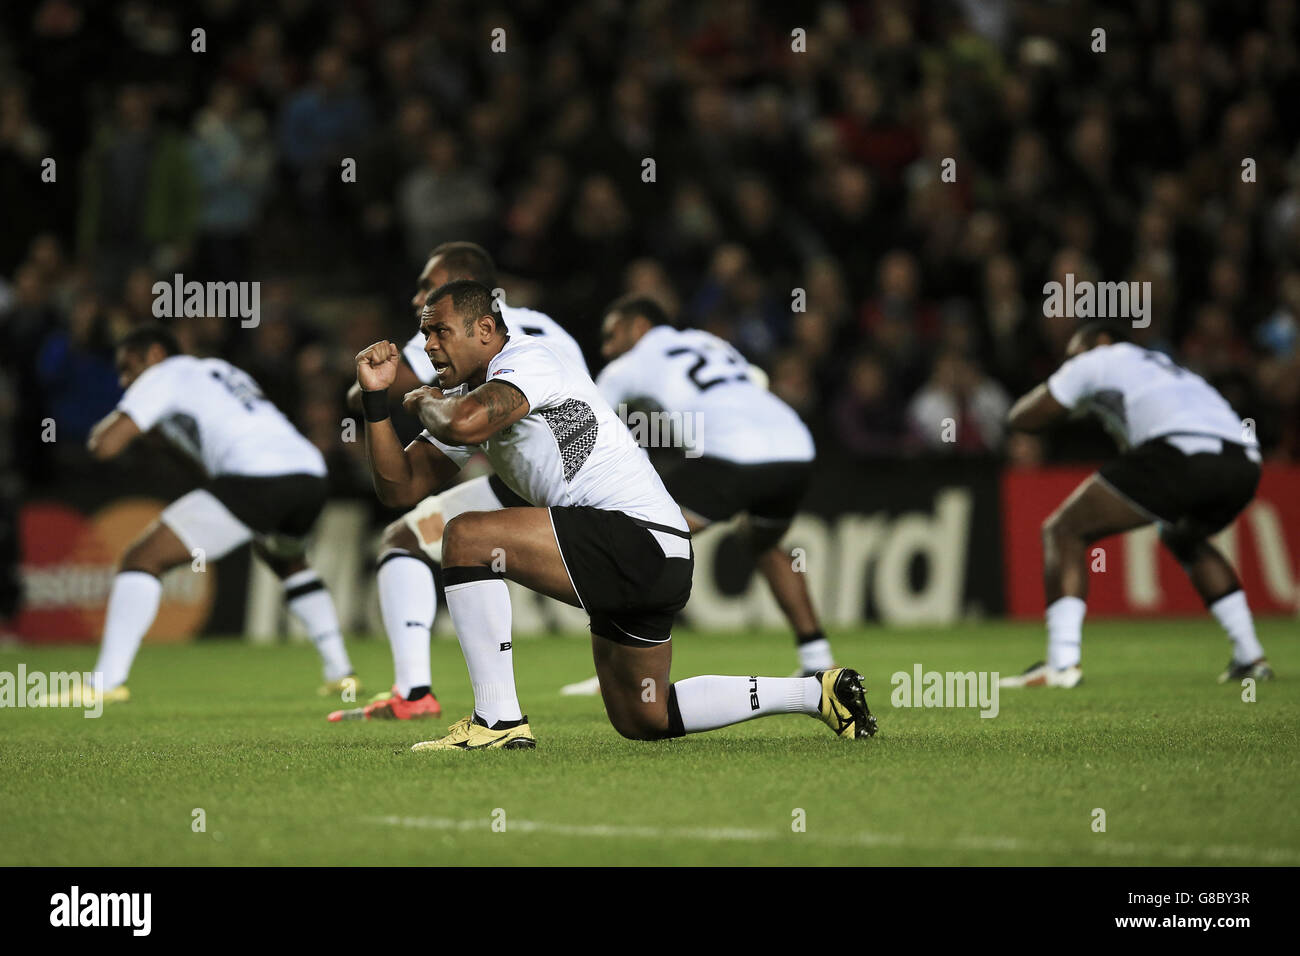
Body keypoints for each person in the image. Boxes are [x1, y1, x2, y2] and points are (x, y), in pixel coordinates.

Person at [354, 279, 878, 749]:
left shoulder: (528, 361)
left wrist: (420, 401)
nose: (427, 345)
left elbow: (464, 424)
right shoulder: (466, 394)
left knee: (466, 536)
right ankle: (816, 693)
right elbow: (402, 488)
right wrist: (377, 403)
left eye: (440, 330)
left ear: (486, 329)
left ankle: (496, 722)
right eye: (424, 335)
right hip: (651, 550)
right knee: (644, 716)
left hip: (635, 537)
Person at [331, 241, 585, 721]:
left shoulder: (455, 334)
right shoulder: (548, 326)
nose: (417, 301)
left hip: (547, 481)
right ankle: (495, 712)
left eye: (429, 287)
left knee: (415, 539)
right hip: (571, 469)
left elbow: (392, 391)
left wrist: (369, 393)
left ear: (466, 296)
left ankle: (418, 694)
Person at [556, 294, 833, 697]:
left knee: (639, 543)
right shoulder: (711, 342)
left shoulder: (629, 364)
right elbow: (755, 382)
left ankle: (624, 670)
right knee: (763, 541)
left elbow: (586, 419)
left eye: (612, 335)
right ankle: (818, 659)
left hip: (733, 456)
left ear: (638, 328)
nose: (606, 348)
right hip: (797, 448)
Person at [73, 324, 355, 704]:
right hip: (309, 476)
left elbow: (105, 445)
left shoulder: (164, 374)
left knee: (142, 559)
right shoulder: (218, 370)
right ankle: (341, 673)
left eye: (128, 368)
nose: (125, 381)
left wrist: (98, 433)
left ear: (155, 354)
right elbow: (208, 463)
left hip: (257, 479)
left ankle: (103, 685)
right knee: (285, 559)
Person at [1000, 320, 1271, 688]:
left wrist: (1070, 398)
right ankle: (1250, 656)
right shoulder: (1167, 369)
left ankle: (1061, 665)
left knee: (1063, 530)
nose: (1070, 360)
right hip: (1243, 463)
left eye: (1074, 352)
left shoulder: (1100, 358)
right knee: (1184, 537)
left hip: (1181, 451)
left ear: (1103, 340)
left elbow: (1024, 418)